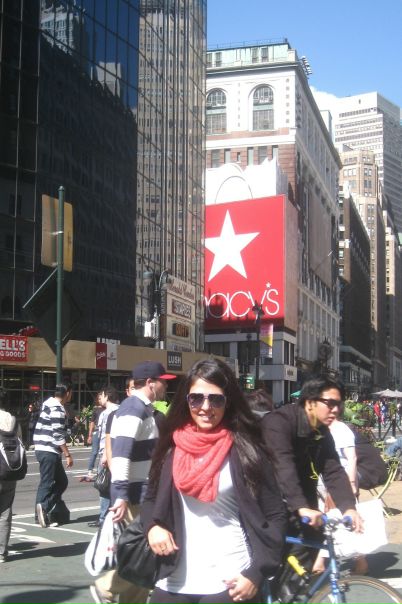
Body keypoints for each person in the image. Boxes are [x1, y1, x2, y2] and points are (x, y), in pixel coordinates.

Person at [141, 357, 287, 604]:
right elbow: (151, 498)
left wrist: (257, 572)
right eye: (196, 398)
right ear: (186, 400)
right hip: (174, 578)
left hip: (230, 579)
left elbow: (275, 514)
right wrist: (152, 527)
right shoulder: (172, 447)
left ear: (228, 402)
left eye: (216, 399)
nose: (205, 407)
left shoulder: (246, 450)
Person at [261, 374, 363, 594]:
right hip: (265, 500)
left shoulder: (321, 431)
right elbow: (283, 465)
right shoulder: (278, 423)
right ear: (309, 402)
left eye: (339, 404)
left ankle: (290, 591)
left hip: (297, 499)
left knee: (313, 537)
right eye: (330, 403)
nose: (336, 410)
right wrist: (301, 506)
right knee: (270, 560)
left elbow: (333, 470)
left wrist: (349, 507)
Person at [90, 361, 176, 604]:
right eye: (163, 381)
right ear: (150, 383)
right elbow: (121, 453)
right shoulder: (133, 408)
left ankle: (119, 593)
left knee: (143, 555)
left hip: (141, 492)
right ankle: (107, 587)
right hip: (136, 494)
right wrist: (121, 494)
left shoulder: (142, 408)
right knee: (143, 552)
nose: (166, 385)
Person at [315, 405, 368, 574]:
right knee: (327, 522)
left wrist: (351, 485)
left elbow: (352, 458)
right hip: (323, 485)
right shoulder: (319, 430)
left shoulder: (342, 429)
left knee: (345, 523)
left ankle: (360, 562)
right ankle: (321, 560)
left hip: (339, 485)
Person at [34, 382, 74, 528]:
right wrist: (67, 454)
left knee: (59, 481)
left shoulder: (48, 405)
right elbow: (57, 435)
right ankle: (42, 509)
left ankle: (41, 511)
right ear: (67, 393)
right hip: (48, 449)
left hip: (43, 448)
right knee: (48, 482)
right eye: (71, 392)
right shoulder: (57, 409)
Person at [89, 385, 119, 528]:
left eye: (101, 395)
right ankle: (112, 515)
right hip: (115, 453)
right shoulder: (120, 410)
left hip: (106, 453)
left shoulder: (107, 413)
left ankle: (103, 518)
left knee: (104, 486)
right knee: (113, 485)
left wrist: (105, 454)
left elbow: (106, 436)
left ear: (107, 396)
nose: (99, 398)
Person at [0, 404, 22, 562]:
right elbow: (20, 442)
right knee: (5, 512)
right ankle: (1, 552)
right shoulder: (12, 419)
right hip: (9, 470)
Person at [85, 395, 103, 479]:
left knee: (103, 453)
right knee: (95, 452)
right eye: (99, 399)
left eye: (101, 398)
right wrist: (90, 435)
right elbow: (92, 422)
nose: (100, 400)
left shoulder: (108, 409)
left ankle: (101, 471)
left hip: (105, 432)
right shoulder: (96, 409)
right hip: (97, 431)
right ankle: (90, 470)